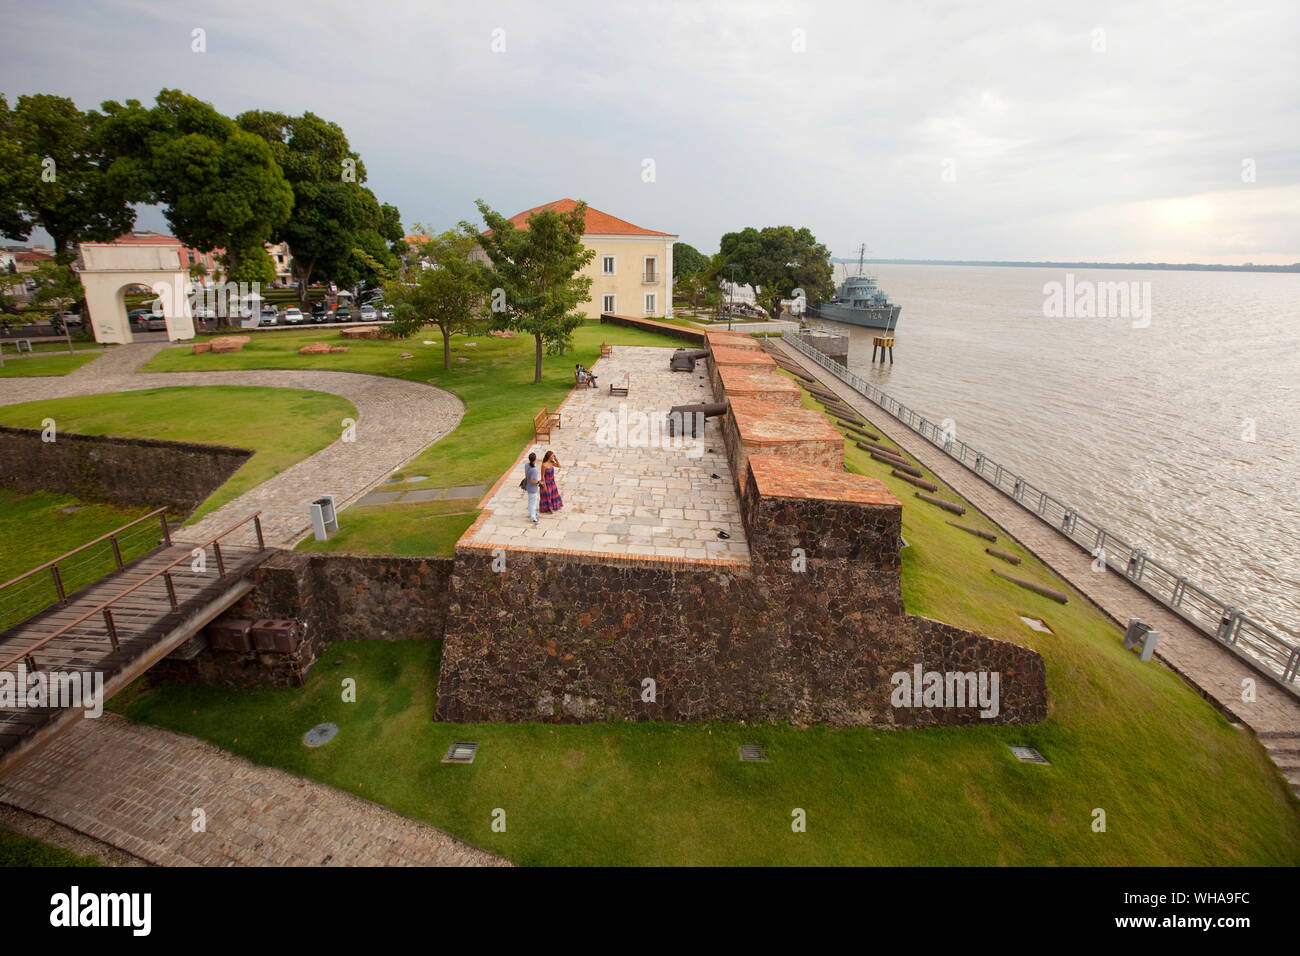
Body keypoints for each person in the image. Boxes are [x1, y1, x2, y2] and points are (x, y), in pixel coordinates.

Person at [523, 452, 541, 524]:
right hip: (532, 488)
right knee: (533, 503)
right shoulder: (534, 469)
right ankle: (533, 518)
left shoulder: (526, 465)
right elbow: (533, 481)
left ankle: (531, 513)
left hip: (528, 486)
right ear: (535, 459)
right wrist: (539, 482)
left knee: (531, 501)